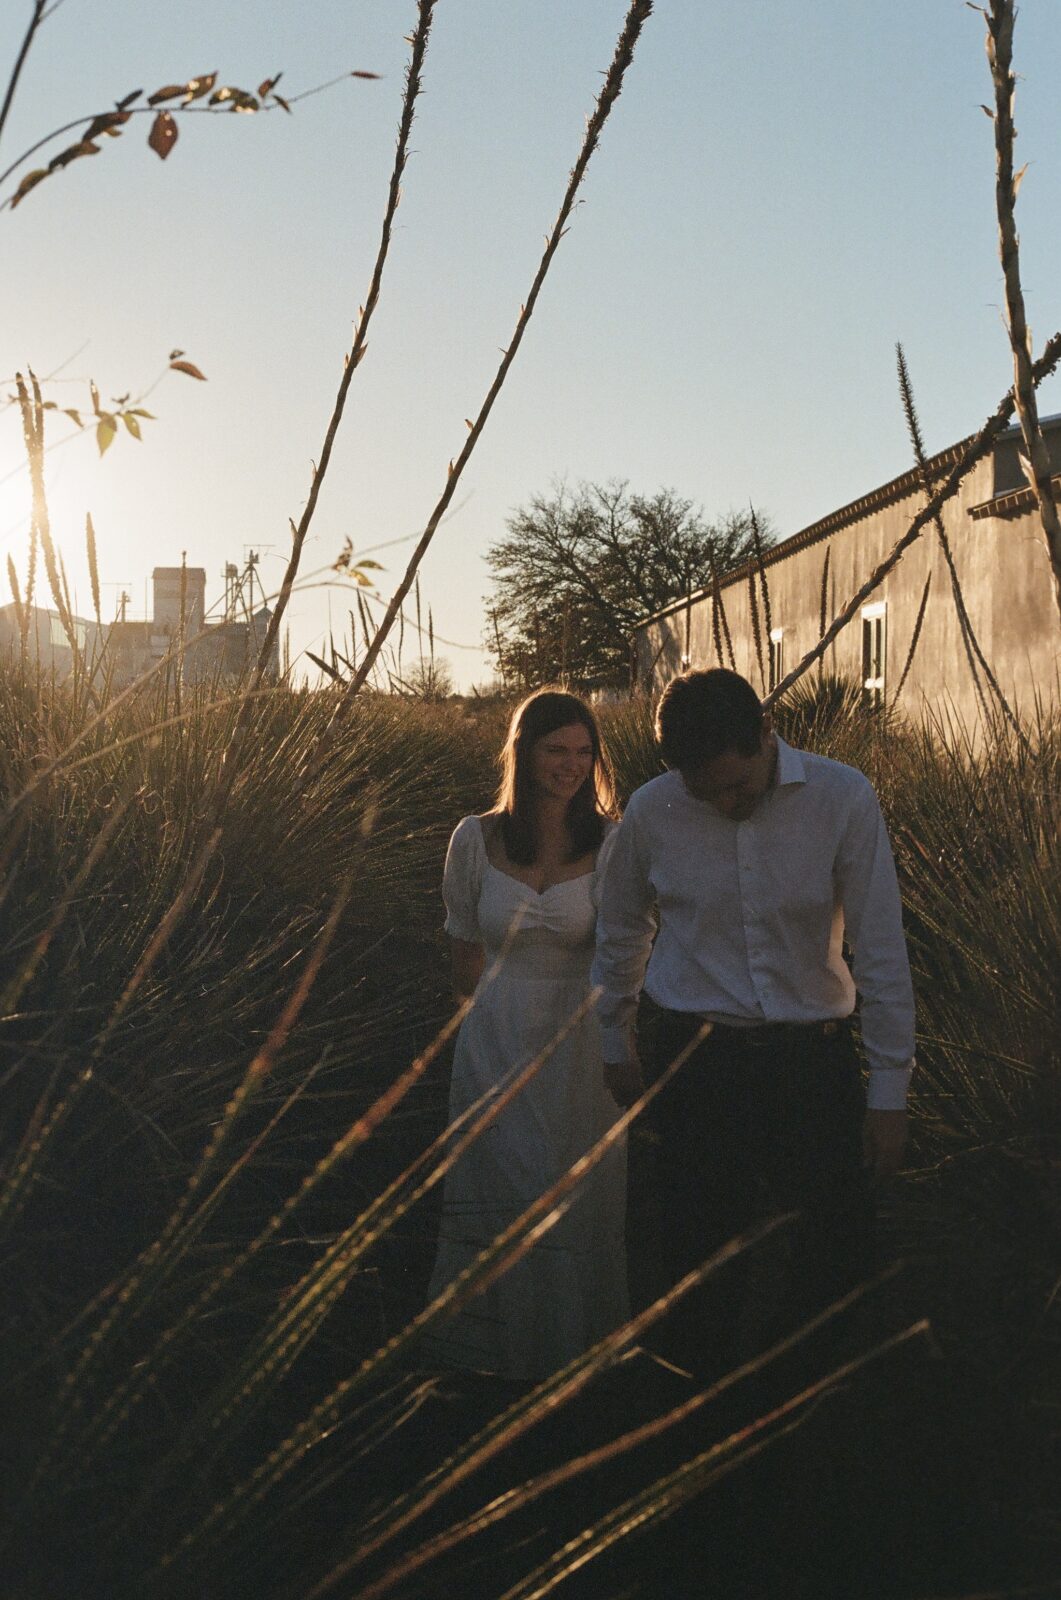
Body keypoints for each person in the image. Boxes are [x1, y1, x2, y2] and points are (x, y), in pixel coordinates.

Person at [592, 667, 915, 1370]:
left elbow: (880, 948)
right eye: (707, 794)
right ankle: (693, 1416)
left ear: (767, 733)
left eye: (739, 786)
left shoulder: (842, 798)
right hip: (696, 1062)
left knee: (839, 1250)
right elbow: (620, 932)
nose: (728, 806)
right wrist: (614, 1040)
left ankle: (780, 1394)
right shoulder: (652, 812)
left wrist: (888, 1091)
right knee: (696, 1258)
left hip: (811, 1061)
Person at [426, 689, 629, 1381]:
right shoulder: (473, 839)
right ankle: (494, 1358)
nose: (570, 766)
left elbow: (630, 951)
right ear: (523, 753)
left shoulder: (612, 841)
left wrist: (617, 1046)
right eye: (555, 750)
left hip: (580, 1041)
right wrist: (483, 1027)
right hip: (495, 1035)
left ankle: (572, 1357)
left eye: (583, 752)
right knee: (503, 1189)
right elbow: (462, 952)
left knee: (572, 1196)